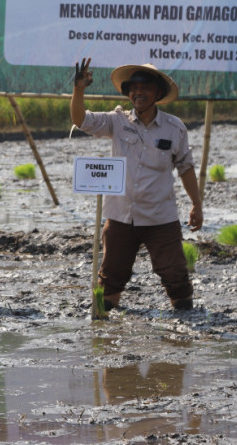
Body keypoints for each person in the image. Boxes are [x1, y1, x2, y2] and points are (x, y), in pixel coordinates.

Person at [70, 58, 203, 312]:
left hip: (160, 218)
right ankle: (103, 331)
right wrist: (79, 89)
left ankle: (187, 332)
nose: (138, 92)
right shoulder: (116, 121)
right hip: (121, 217)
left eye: (145, 87)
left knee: (177, 278)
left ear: (158, 93)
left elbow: (185, 167)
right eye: (134, 87)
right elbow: (80, 120)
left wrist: (197, 204)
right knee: (110, 279)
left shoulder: (174, 128)